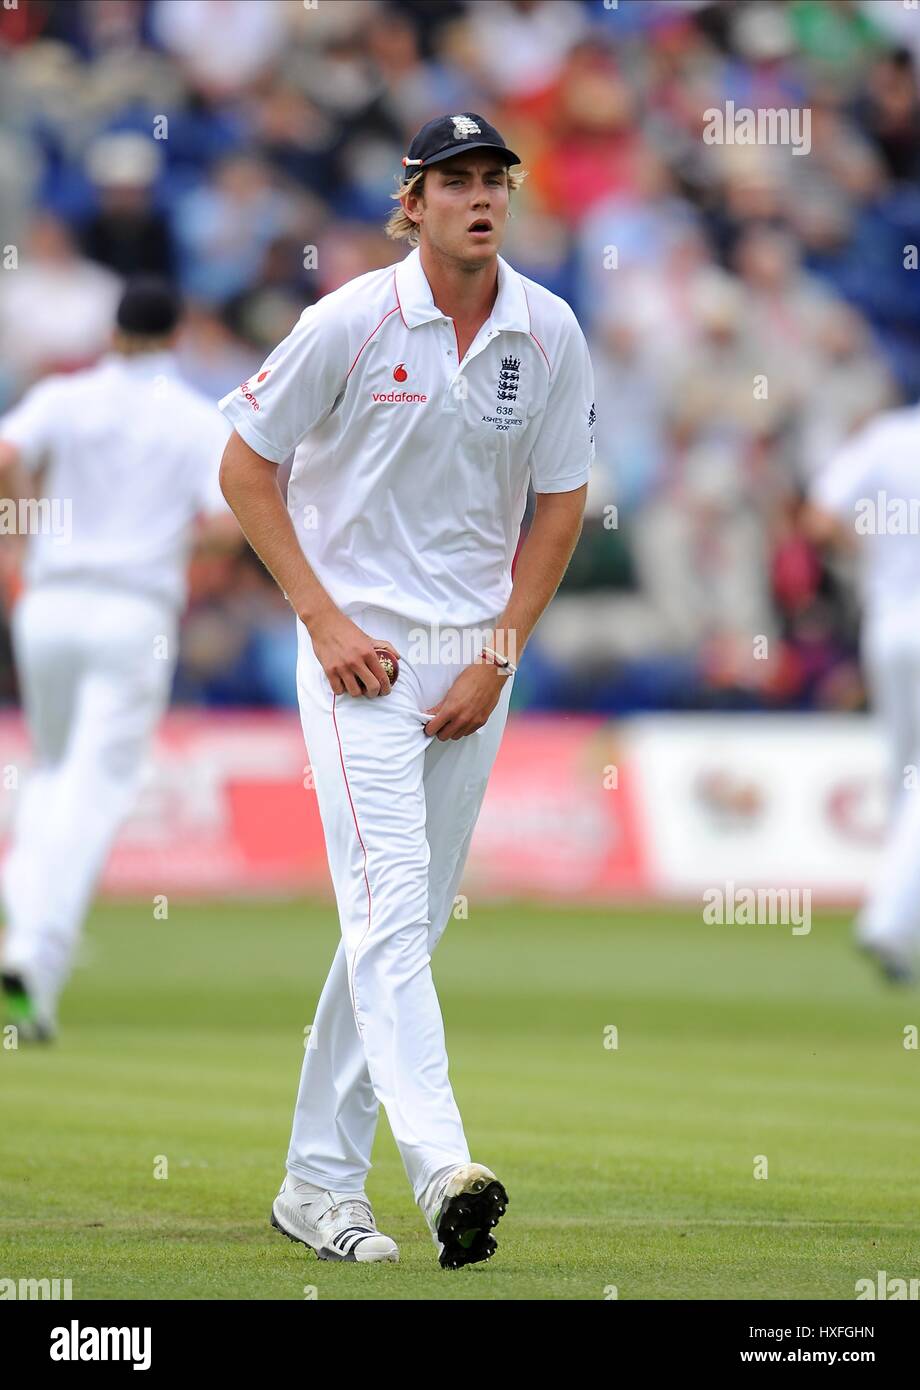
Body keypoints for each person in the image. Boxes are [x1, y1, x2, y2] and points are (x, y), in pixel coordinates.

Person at [218, 113, 595, 1268]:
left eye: (494, 180)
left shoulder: (550, 327)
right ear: (412, 202)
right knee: (389, 917)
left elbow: (561, 501)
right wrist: (324, 619)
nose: (479, 198)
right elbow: (243, 465)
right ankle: (441, 1168)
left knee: (401, 924)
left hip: (470, 656)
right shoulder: (351, 317)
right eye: (456, 182)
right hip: (358, 653)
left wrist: (501, 649)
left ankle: (315, 1185)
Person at [0, 279, 236, 1040]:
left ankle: (27, 924)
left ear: (114, 330)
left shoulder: (69, 397)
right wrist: (171, 552)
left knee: (54, 771)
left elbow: (7, 453)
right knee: (95, 789)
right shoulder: (196, 417)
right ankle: (33, 952)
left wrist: (25, 535)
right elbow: (226, 528)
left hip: (48, 603)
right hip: (134, 611)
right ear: (177, 334)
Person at [805, 398, 920, 984]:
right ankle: (891, 919)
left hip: (889, 627)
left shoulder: (887, 436)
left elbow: (819, 518)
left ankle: (901, 922)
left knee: (905, 771)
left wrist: (877, 555)